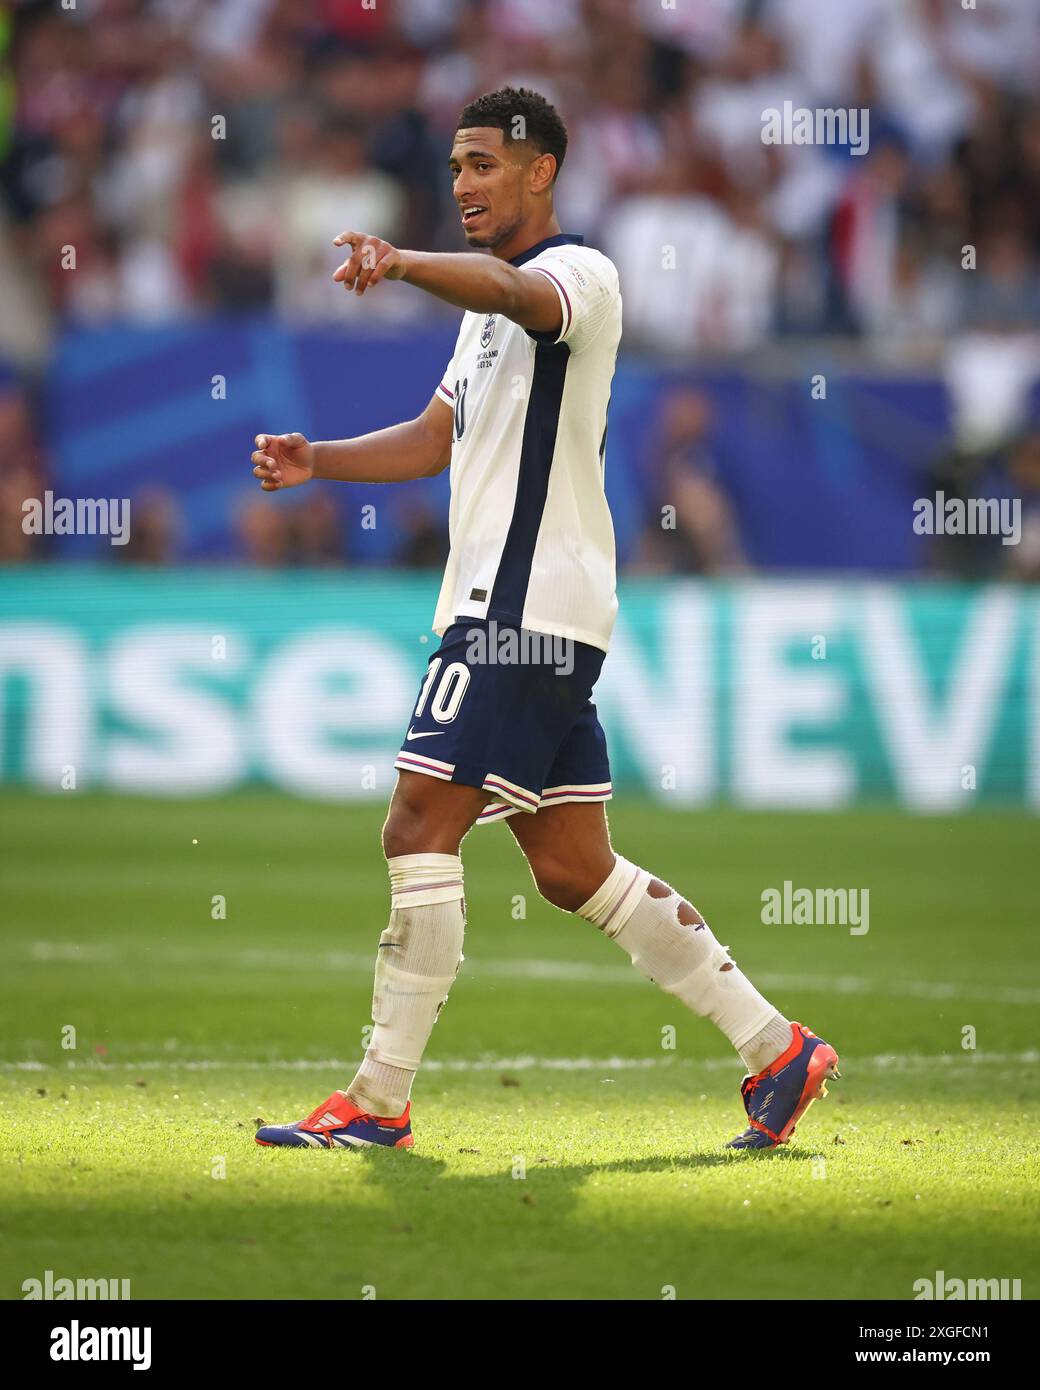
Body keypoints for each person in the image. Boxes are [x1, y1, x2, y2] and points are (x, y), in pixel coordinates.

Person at [248, 87, 838, 1154]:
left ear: (540, 172)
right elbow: (436, 437)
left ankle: (378, 1101)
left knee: (416, 825)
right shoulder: (483, 313)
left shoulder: (580, 276)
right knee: (573, 867)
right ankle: (775, 1048)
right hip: (527, 608)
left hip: (516, 611)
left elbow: (518, 293)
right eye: (456, 167)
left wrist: (403, 262)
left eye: (483, 165)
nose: (464, 184)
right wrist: (318, 462)